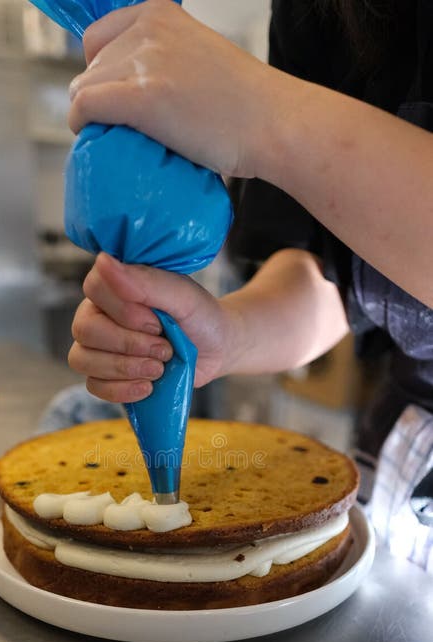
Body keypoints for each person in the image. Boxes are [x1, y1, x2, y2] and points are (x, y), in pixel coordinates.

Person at [65, 0, 433, 569]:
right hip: (400, 476)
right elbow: (336, 279)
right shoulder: (319, 11)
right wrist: (229, 332)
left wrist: (269, 116)